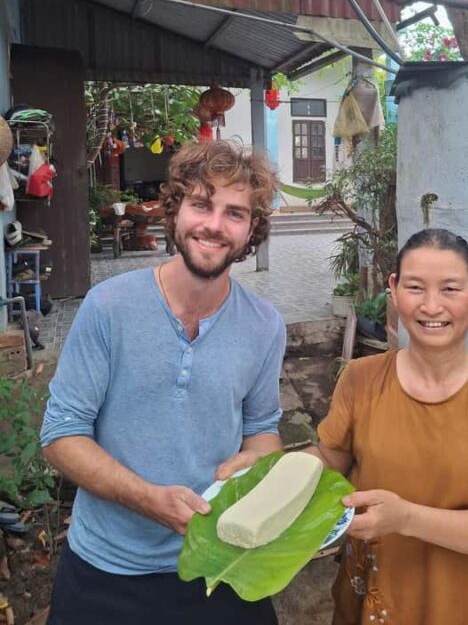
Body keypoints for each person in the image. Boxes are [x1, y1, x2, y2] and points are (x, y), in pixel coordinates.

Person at [40, 140, 286, 625]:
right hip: (108, 571)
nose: (214, 225)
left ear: (252, 229)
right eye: (200, 204)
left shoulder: (264, 325)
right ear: (174, 211)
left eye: (234, 213)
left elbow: (263, 428)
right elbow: (60, 435)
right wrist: (147, 499)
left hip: (222, 563)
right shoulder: (109, 307)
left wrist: (259, 459)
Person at [314, 228, 468, 625]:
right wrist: (266, 473)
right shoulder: (360, 379)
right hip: (370, 605)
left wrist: (406, 518)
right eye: (415, 287)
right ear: (393, 289)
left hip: (465, 609)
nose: (431, 306)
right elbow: (328, 459)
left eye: (450, 289)